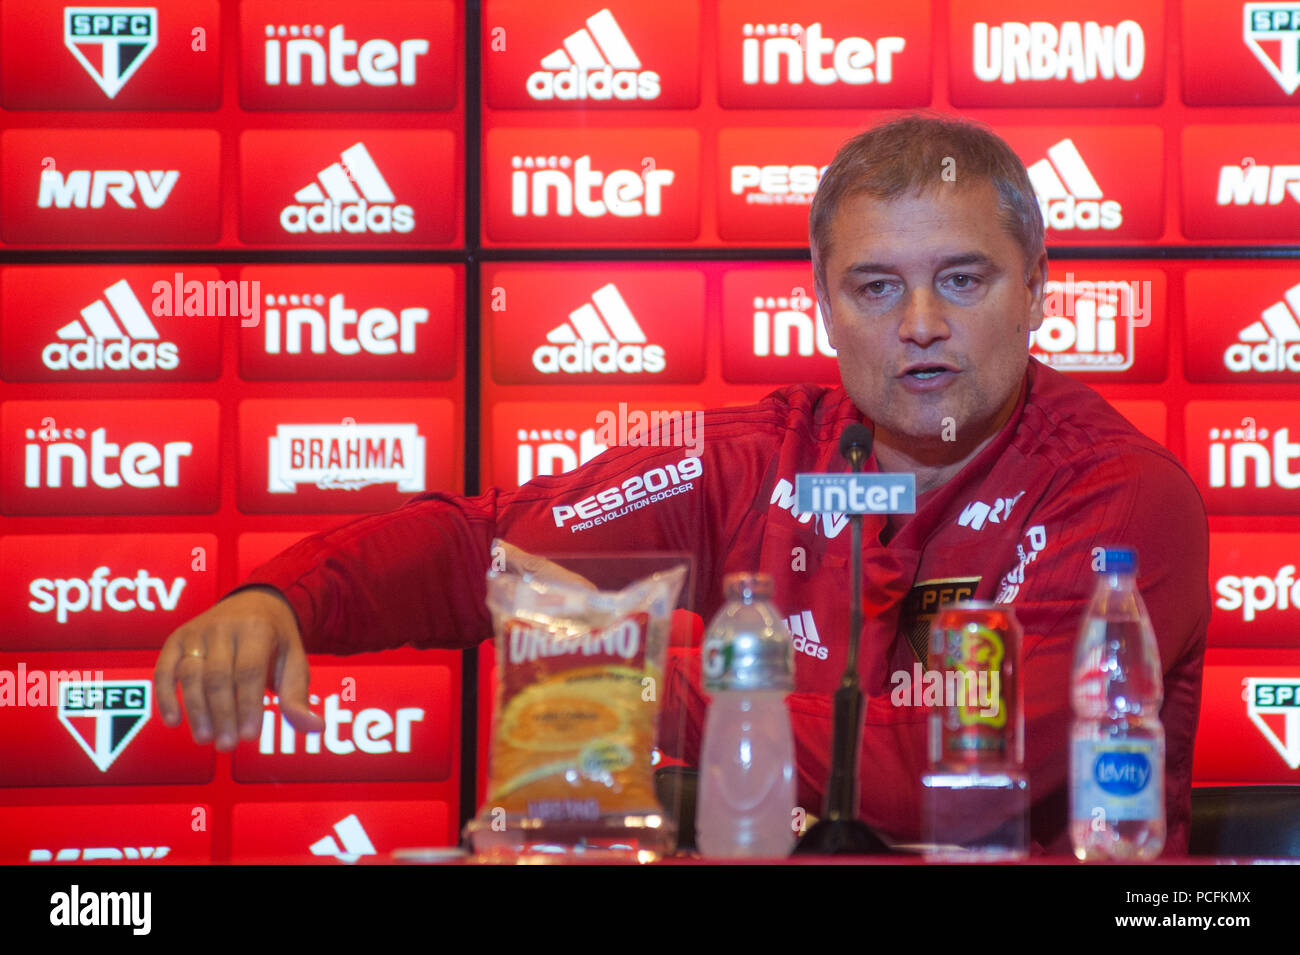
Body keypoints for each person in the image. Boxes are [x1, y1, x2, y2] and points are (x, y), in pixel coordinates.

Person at [153, 113, 1209, 855]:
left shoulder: (1118, 497)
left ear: (1036, 289)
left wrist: (630, 678)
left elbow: (954, 780)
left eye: (962, 279)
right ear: (823, 305)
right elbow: (491, 550)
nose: (920, 324)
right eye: (876, 286)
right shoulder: (759, 455)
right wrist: (281, 597)